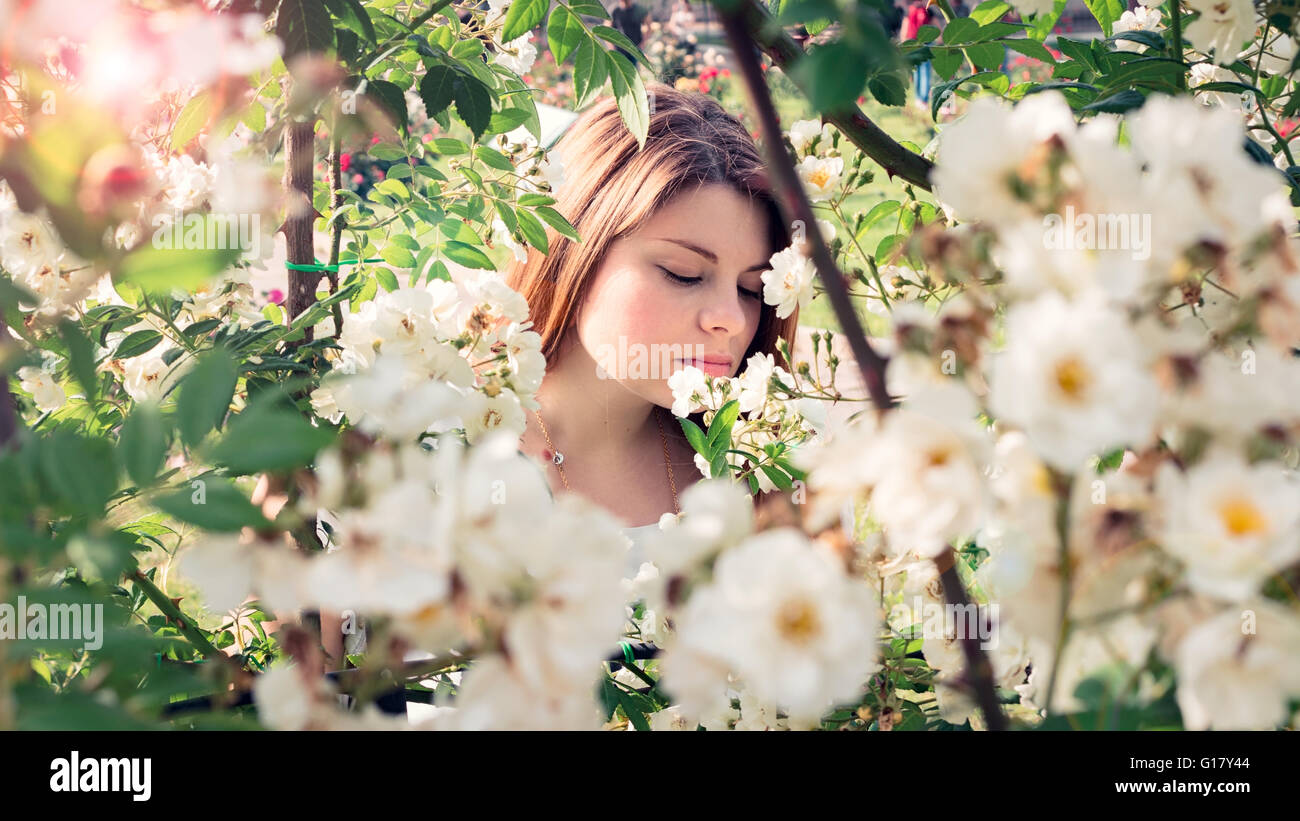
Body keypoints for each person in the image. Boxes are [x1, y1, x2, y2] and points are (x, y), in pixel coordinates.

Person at [505, 83, 800, 552]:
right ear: (574, 248)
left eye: (750, 288)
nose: (732, 320)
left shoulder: (762, 476)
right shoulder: (436, 450)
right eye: (683, 274)